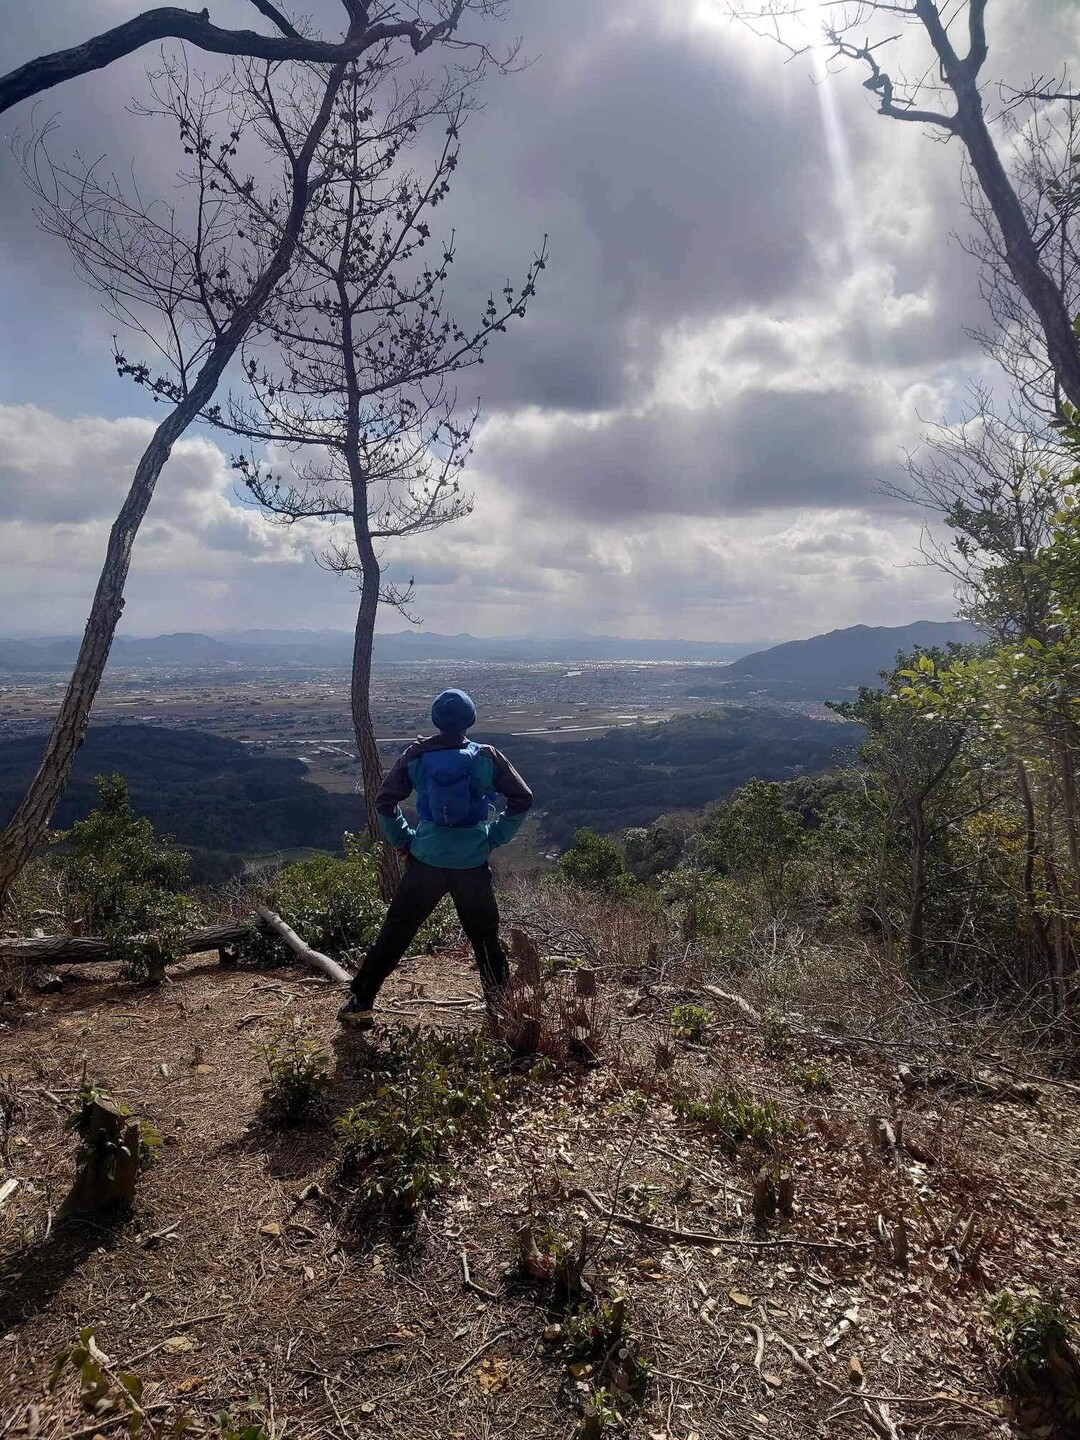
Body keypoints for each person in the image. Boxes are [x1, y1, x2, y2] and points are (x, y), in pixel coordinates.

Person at [338, 687, 533, 1029]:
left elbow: (385, 802)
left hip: (425, 859)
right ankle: (502, 1013)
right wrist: (495, 836)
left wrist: (404, 841)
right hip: (471, 862)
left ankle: (360, 1001)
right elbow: (522, 798)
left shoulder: (416, 755)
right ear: (469, 720)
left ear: (435, 719)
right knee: (485, 938)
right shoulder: (486, 757)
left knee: (397, 931)